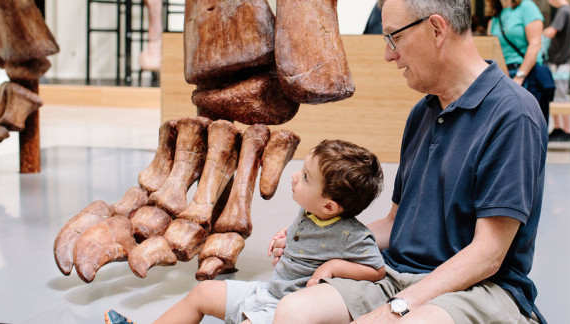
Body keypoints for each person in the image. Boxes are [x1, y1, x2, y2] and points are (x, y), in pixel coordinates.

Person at [273, 0, 547, 324]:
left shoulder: (514, 114)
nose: (390, 55)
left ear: (436, 29)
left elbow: (488, 254)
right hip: (399, 274)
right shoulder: (424, 111)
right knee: (293, 311)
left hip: (481, 287)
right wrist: (316, 239)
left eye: (394, 38)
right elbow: (395, 222)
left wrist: (398, 307)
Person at [105, 139, 387, 324]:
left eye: (305, 178)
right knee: (202, 293)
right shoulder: (310, 212)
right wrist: (288, 234)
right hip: (267, 291)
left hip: (285, 308)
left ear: (329, 205)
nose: (293, 176)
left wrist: (333, 266)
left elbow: (377, 271)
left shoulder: (354, 236)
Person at [484, 0, 553, 125]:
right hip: (502, 76)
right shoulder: (495, 17)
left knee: (531, 126)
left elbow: (535, 44)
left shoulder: (526, 7)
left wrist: (520, 76)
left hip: (526, 74)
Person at [542, 0, 570, 141]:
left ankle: (567, 130)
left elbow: (552, 32)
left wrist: (540, 31)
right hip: (561, 59)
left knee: (561, 96)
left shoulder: (563, 11)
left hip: (559, 61)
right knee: (557, 95)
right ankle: (558, 127)